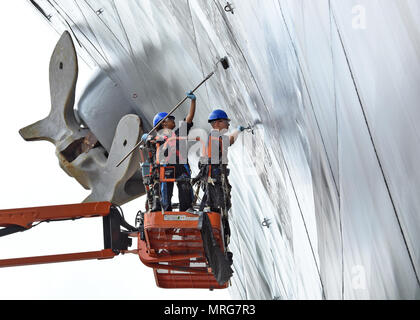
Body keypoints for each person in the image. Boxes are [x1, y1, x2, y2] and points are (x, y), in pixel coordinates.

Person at [149, 91, 197, 212]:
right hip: (166, 167)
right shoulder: (157, 138)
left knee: (185, 186)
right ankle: (165, 209)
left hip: (180, 166)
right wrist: (147, 139)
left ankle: (186, 208)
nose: (173, 120)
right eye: (171, 119)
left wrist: (193, 101)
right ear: (163, 123)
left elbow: (189, 119)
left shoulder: (178, 133)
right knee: (165, 190)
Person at [196, 109, 245, 213]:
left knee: (216, 204)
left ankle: (209, 222)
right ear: (217, 123)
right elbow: (229, 141)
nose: (228, 124)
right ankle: (210, 225)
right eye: (226, 121)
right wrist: (238, 131)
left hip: (212, 177)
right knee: (216, 205)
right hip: (213, 178)